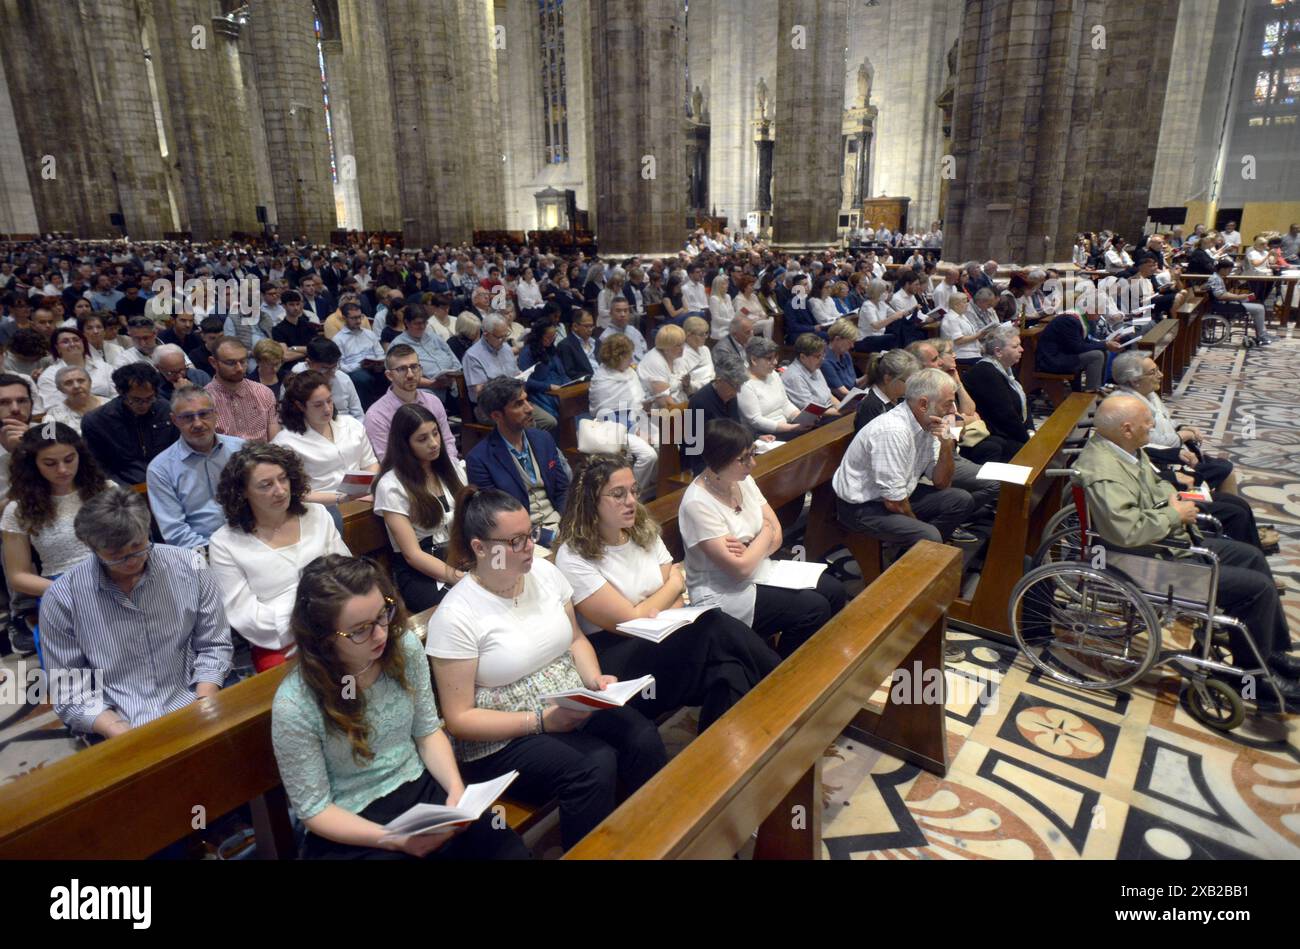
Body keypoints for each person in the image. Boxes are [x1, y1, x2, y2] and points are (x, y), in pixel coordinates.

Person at [427, 486, 667, 849]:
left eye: (531, 534)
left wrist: (594, 680)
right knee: (592, 766)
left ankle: (649, 839)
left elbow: (575, 640)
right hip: (504, 737)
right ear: (480, 548)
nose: (529, 547)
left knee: (641, 736)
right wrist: (539, 722)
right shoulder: (457, 615)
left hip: (568, 703)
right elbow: (459, 719)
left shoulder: (544, 572)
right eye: (516, 541)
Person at [271, 555, 529, 860]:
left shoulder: (403, 646)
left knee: (503, 846)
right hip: (353, 822)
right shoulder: (295, 704)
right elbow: (315, 810)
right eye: (360, 630)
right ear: (323, 638)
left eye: (383, 614)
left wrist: (456, 791)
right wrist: (392, 839)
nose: (381, 633)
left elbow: (427, 731)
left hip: (417, 787)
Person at [1073, 395, 1300, 704]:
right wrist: (1174, 514)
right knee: (1257, 590)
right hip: (1144, 560)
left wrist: (1172, 501)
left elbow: (1158, 485)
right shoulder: (1103, 470)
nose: (1152, 427)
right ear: (1127, 428)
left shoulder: (1125, 450)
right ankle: (1253, 677)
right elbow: (1124, 530)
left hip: (1168, 542)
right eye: (1147, 423)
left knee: (1252, 556)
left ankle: (1270, 654)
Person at [555, 453, 779, 730]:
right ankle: (785, 688)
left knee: (728, 672)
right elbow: (628, 622)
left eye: (634, 490)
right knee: (713, 623)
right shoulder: (574, 555)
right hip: (616, 658)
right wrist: (672, 586)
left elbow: (667, 599)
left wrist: (656, 602)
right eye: (618, 494)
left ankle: (721, 761)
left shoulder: (640, 529)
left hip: (666, 632)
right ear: (590, 500)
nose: (631, 501)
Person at [39, 487, 233, 738]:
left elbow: (214, 645)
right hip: (117, 717)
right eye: (116, 555)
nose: (131, 560)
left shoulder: (189, 567)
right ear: (90, 546)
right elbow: (70, 689)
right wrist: (119, 731)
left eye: (138, 546)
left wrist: (204, 702)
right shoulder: (63, 599)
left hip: (193, 696)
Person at [679, 419, 846, 659]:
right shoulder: (698, 503)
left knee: (833, 590)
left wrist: (753, 547)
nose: (753, 463)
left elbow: (776, 531)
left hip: (760, 568)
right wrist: (764, 535)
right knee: (813, 609)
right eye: (744, 458)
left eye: (752, 454)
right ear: (718, 459)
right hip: (721, 591)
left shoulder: (742, 480)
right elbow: (740, 570)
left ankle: (812, 665)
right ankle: (782, 676)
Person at [208, 443, 350, 672]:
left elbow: (345, 572)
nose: (280, 490)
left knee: (357, 676)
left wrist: (332, 622)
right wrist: (306, 627)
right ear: (242, 492)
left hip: (338, 621)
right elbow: (243, 613)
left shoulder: (317, 514)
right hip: (278, 639)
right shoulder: (224, 543)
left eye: (283, 479)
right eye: (266, 485)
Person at [2, 425, 111, 662]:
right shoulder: (18, 509)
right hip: (59, 589)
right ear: (33, 465)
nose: (62, 470)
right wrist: (69, 590)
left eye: (69, 459)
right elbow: (17, 575)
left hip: (114, 578)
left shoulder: (106, 490)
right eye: (50, 463)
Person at [833, 368, 976, 548]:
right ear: (923, 404)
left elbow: (942, 482)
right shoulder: (892, 431)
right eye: (947, 404)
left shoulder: (929, 422)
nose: (953, 411)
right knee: (927, 534)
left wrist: (947, 444)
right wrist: (919, 528)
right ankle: (921, 551)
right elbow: (894, 502)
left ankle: (913, 554)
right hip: (863, 507)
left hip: (899, 494)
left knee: (961, 500)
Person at [374, 404, 467, 612]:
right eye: (422, 439)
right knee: (464, 605)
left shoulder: (451, 467)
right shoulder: (391, 486)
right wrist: (460, 578)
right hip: (420, 569)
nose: (434, 443)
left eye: (435, 433)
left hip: (459, 552)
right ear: (405, 445)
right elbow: (412, 555)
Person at [1111, 351, 1237, 493]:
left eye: (1158, 369)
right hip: (1162, 463)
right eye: (1153, 372)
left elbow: (1167, 420)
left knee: (1226, 470)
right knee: (1225, 471)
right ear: (1135, 381)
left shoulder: (1149, 393)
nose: (1161, 375)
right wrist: (1185, 435)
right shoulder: (1128, 406)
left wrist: (1184, 427)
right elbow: (1149, 442)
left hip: (1178, 452)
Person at [465, 377, 570, 536]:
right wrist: (543, 537)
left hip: (560, 522)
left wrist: (568, 524)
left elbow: (563, 489)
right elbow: (495, 515)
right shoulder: (479, 459)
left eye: (527, 400)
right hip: (520, 537)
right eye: (518, 404)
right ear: (496, 416)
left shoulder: (543, 439)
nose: (529, 409)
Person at [273, 370, 380, 524]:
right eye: (318, 405)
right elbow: (295, 492)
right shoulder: (286, 443)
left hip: (365, 496)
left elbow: (370, 463)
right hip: (321, 508)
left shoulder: (351, 424)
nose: (327, 409)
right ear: (300, 406)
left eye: (329, 401)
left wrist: (367, 488)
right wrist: (341, 498)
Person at [146, 387, 245, 549]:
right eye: (187, 417)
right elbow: (175, 532)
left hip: (250, 539)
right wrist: (214, 554)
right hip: (201, 551)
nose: (198, 423)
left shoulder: (240, 449)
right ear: (174, 420)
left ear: (215, 414)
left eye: (204, 414)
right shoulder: (160, 469)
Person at [81, 362, 179, 485]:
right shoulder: (96, 421)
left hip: (169, 478)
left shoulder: (165, 409)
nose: (144, 405)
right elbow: (97, 465)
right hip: (126, 486)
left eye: (149, 398)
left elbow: (177, 449)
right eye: (136, 400)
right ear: (120, 392)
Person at [362, 344, 460, 464]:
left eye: (414, 367)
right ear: (389, 375)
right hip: (407, 477)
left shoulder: (433, 401)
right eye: (402, 369)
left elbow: (447, 441)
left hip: (442, 469)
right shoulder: (376, 415)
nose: (410, 374)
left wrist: (450, 468)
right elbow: (389, 460)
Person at [588, 334, 658, 493]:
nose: (632, 361)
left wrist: (644, 407)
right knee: (648, 455)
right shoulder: (601, 379)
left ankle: (653, 489)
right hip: (612, 428)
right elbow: (603, 413)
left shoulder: (630, 373)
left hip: (636, 421)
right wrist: (635, 430)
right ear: (617, 357)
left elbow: (636, 401)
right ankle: (633, 493)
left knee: (666, 443)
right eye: (628, 356)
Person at [963, 324, 1035, 454]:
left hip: (1008, 430)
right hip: (991, 434)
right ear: (998, 352)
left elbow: (1023, 400)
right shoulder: (986, 372)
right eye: (1015, 346)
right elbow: (1006, 416)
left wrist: (1030, 429)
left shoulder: (1007, 368)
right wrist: (1028, 440)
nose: (1022, 349)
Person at [205, 336, 280, 442]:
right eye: (231, 363)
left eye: (243, 361)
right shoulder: (204, 401)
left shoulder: (263, 393)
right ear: (213, 362)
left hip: (264, 456)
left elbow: (275, 441)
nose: (240, 368)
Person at [737, 336, 809, 440]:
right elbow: (755, 420)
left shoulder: (773, 374)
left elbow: (785, 403)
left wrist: (800, 417)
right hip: (765, 435)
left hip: (786, 426)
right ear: (754, 360)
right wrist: (791, 428)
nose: (775, 362)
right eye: (769, 358)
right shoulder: (745, 384)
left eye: (775, 357)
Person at [1036, 309, 1121, 390]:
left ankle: (1099, 387)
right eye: (1098, 311)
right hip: (1053, 359)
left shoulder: (1084, 318)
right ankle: (1091, 393)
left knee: (1104, 350)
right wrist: (1105, 344)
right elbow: (1077, 347)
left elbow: (1087, 340)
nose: (1100, 314)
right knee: (1096, 355)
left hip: (1066, 353)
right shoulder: (1069, 320)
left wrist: (1106, 343)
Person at [389, 303, 461, 396]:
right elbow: (401, 376)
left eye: (424, 322)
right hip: (424, 391)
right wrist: (432, 384)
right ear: (407, 323)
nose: (422, 326)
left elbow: (454, 359)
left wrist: (453, 375)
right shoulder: (398, 345)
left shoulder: (434, 337)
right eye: (418, 323)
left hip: (452, 385)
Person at [35, 326, 114, 409]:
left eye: (76, 340)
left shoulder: (104, 367)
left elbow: (116, 395)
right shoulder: (49, 376)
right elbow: (53, 407)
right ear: (57, 348)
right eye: (65, 342)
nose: (72, 344)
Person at [293, 335, 365, 423]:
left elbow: (358, 414)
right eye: (325, 368)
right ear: (309, 363)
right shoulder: (295, 379)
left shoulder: (343, 378)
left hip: (346, 427)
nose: (331, 373)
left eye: (334, 367)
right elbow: (290, 417)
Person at [333, 303, 388, 407]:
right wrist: (360, 365)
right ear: (344, 318)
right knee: (362, 378)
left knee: (390, 372)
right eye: (353, 318)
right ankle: (368, 409)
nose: (358, 321)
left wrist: (379, 363)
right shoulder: (338, 339)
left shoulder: (369, 334)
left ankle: (388, 406)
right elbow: (339, 366)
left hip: (374, 368)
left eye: (360, 317)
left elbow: (380, 354)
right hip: (355, 371)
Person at [516, 323, 573, 421]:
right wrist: (548, 386)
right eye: (548, 337)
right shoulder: (527, 352)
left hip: (560, 386)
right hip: (541, 391)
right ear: (539, 336)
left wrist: (569, 383)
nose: (551, 340)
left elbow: (561, 372)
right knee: (561, 406)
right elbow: (524, 380)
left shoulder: (551, 349)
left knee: (575, 397)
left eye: (553, 337)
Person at [1206, 258, 1270, 345]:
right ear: (1223, 269)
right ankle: (1262, 336)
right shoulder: (1215, 278)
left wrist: (1240, 297)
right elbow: (1220, 295)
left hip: (1226, 303)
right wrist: (1239, 297)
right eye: (1229, 270)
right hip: (1222, 306)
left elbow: (1222, 293)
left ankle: (1262, 334)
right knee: (1259, 309)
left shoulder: (1217, 277)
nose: (1230, 272)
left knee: (1258, 306)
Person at [853, 348, 919, 432]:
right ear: (888, 379)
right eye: (908, 382)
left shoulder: (900, 398)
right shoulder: (870, 407)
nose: (912, 386)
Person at [781, 333, 844, 416]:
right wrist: (840, 413)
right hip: (816, 421)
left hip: (830, 413)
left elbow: (830, 396)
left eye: (823, 354)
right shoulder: (794, 377)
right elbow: (810, 410)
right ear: (803, 357)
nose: (822, 359)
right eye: (818, 356)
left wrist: (842, 408)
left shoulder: (815, 367)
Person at [637, 322, 691, 405]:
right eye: (678, 345)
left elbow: (684, 390)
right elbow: (665, 403)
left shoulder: (676, 356)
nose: (683, 348)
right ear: (666, 347)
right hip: (658, 413)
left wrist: (686, 385)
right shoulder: (654, 362)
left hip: (682, 404)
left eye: (683, 343)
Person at [41, 365, 105, 433]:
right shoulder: (53, 415)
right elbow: (47, 441)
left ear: (90, 382)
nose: (76, 386)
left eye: (81, 381)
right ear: (60, 389)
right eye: (68, 383)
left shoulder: (109, 405)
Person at [555, 307, 597, 379]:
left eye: (592, 326)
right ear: (575, 326)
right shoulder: (565, 345)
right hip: (587, 384)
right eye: (586, 326)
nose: (590, 330)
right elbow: (570, 373)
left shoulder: (597, 342)